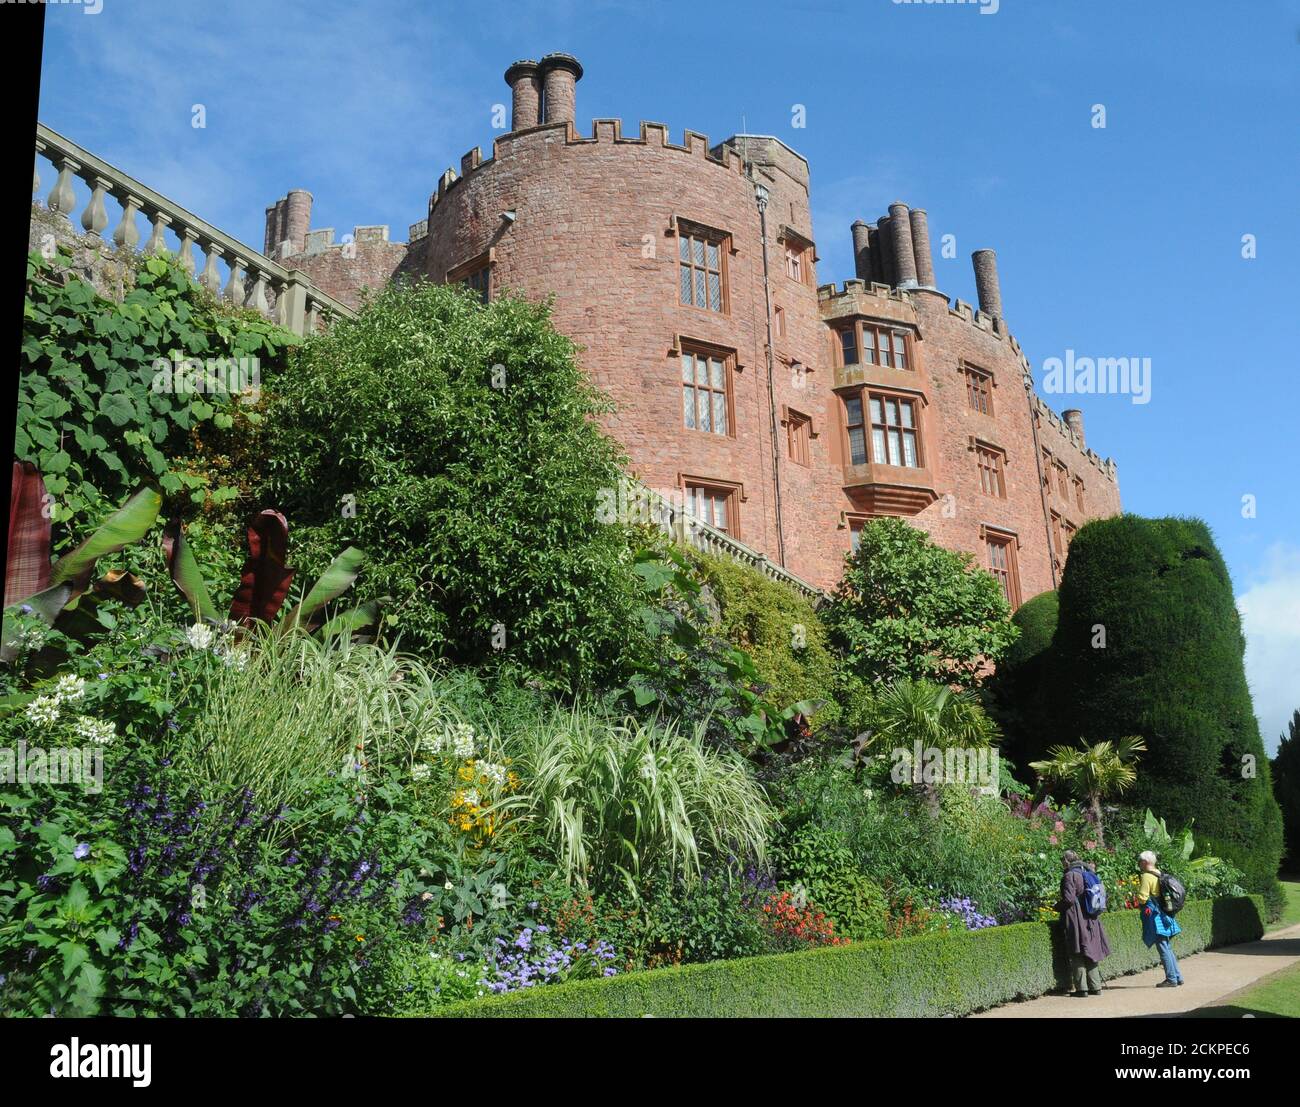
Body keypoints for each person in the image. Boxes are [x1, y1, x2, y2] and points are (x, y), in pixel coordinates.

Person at [1057, 849, 1110, 997]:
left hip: (1076, 918)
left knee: (1077, 951)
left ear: (1067, 861)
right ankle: (1096, 987)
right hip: (1091, 918)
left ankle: (1082, 989)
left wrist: (1056, 907)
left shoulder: (1070, 875)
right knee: (1091, 951)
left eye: (1063, 861)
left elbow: (1068, 899)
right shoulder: (1089, 872)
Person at [1137, 850, 1183, 987]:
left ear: (1145, 862)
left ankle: (1171, 979)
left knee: (1162, 947)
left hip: (1156, 915)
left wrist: (1137, 898)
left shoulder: (1146, 876)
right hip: (1165, 913)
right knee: (1167, 946)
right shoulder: (1159, 873)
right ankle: (1177, 977)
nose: (1139, 864)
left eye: (1140, 861)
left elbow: (1143, 897)